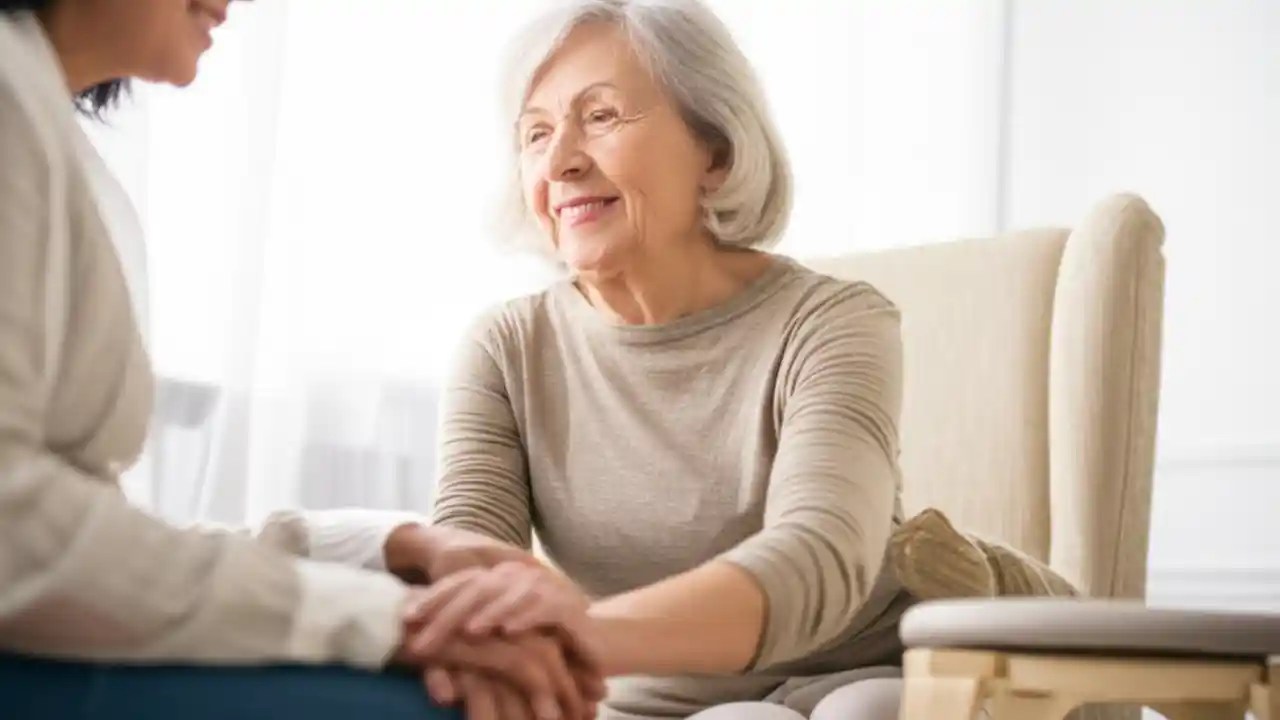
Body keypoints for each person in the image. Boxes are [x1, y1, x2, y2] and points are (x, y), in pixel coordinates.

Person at [0, 2, 604, 719]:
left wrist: (389, 547)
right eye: (536, 131)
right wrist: (392, 621)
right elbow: (19, 534)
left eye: (603, 117)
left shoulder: (43, 131)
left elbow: (92, 530)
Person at [403, 1, 915, 718]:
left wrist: (577, 634)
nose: (560, 162)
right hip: (643, 703)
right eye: (536, 134)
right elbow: (470, 570)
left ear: (716, 152)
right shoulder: (506, 350)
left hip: (858, 673)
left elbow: (818, 558)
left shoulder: (832, 322)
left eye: (602, 116)